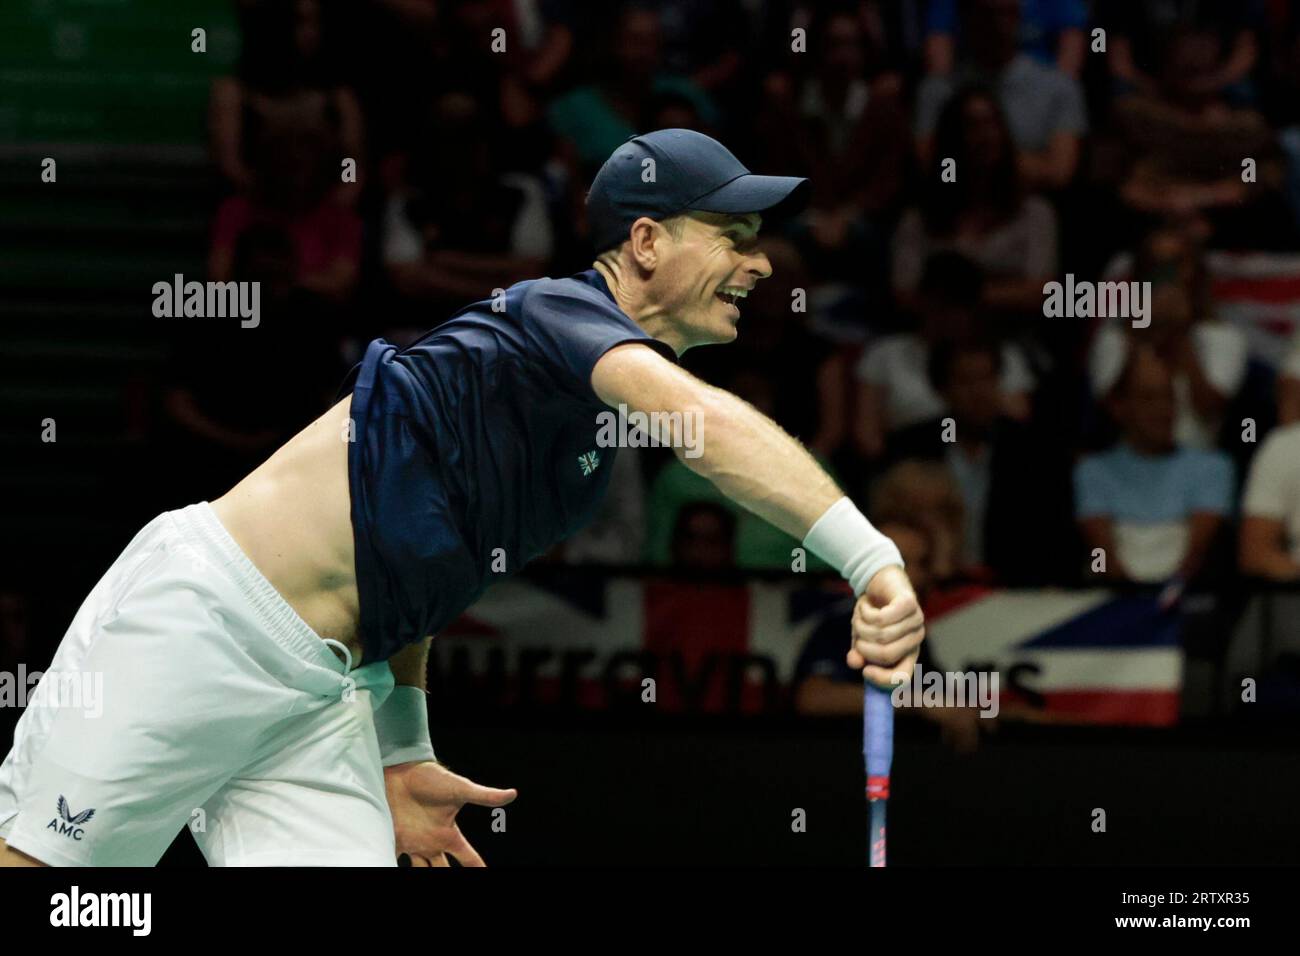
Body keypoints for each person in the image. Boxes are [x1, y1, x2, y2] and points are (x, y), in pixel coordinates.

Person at [0, 129, 925, 867]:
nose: (761, 266)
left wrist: (403, 746)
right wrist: (869, 557)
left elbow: (421, 570)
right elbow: (707, 426)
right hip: (207, 621)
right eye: (735, 238)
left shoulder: (582, 462)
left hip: (328, 694)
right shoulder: (550, 313)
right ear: (644, 241)